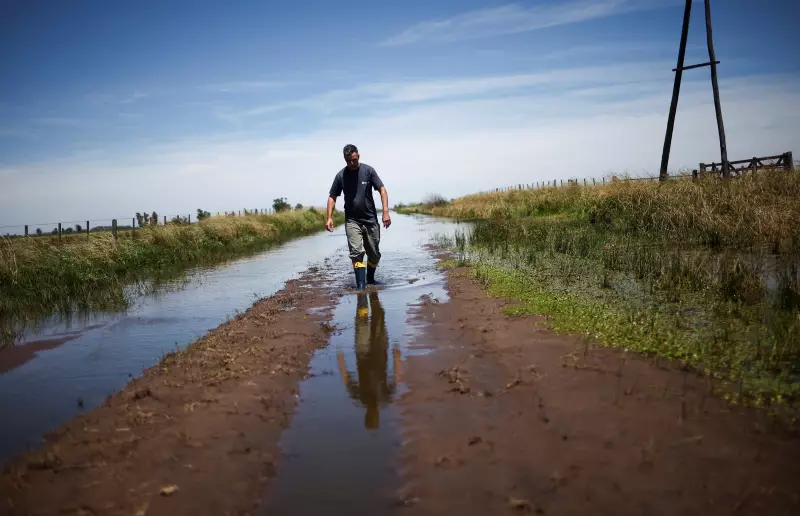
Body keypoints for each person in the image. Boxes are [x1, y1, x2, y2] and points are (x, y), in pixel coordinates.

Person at [326, 144, 391, 289]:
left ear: (358, 157)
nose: (351, 163)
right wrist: (329, 217)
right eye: (348, 161)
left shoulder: (368, 171)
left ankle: (370, 279)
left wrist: (385, 211)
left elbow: (382, 189)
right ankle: (361, 286)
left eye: (354, 160)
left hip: (370, 219)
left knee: (374, 254)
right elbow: (332, 197)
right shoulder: (340, 176)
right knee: (356, 253)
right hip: (352, 220)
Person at [336, 292, 401, 429]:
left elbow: (347, 380)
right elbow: (396, 379)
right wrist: (396, 358)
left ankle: (367, 295)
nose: (372, 414)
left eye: (371, 417)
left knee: (364, 321)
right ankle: (368, 295)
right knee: (374, 318)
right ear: (377, 415)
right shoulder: (385, 398)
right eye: (374, 417)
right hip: (380, 351)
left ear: (367, 415)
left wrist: (341, 362)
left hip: (362, 352)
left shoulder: (360, 398)